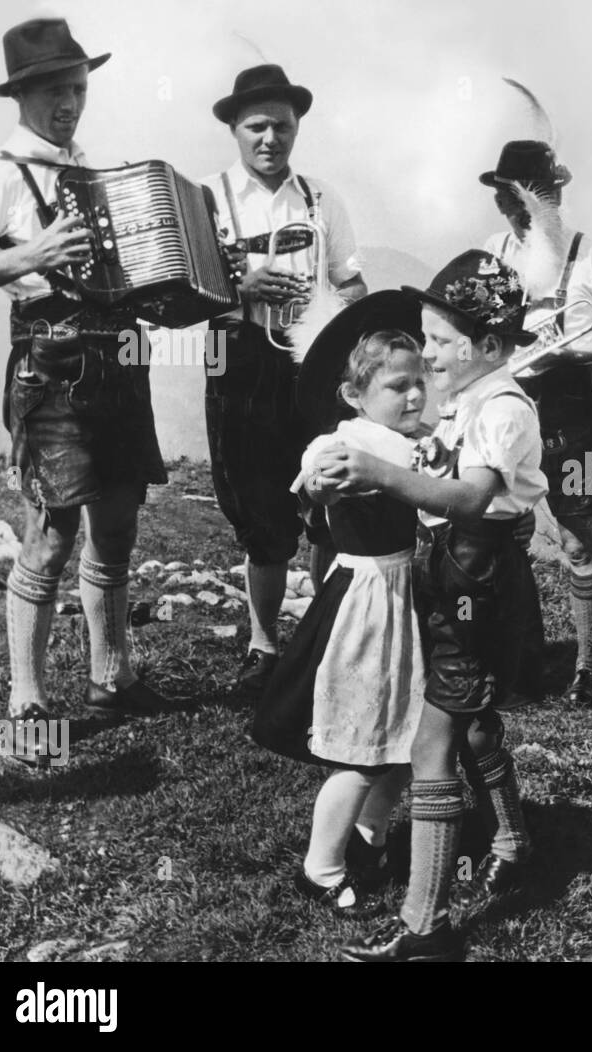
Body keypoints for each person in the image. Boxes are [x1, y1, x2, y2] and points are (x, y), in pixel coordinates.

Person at [328, 250, 547, 962]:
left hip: (476, 578)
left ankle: (427, 928)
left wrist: (380, 472)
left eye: (442, 341)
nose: (427, 354)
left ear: (487, 345)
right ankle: (513, 842)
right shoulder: (467, 399)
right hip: (452, 571)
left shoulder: (505, 406)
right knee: (474, 722)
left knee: (432, 746)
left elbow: (468, 498)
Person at [0, 18, 169, 730]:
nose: (70, 102)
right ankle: (26, 698)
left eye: (78, 87)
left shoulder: (87, 165)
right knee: (51, 534)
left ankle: (110, 679)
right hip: (49, 365)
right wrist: (29, 256)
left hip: (118, 356)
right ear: (21, 94)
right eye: (56, 89)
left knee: (116, 527)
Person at [252, 292, 427, 910]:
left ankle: (368, 835)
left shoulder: (406, 441)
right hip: (369, 603)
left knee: (407, 737)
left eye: (420, 385)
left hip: (406, 596)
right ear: (354, 396)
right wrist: (323, 477)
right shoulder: (355, 443)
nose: (413, 398)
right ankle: (320, 868)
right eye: (397, 387)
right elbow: (318, 475)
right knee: (359, 746)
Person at [202, 64, 367, 695]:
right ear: (235, 130)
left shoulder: (321, 198)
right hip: (238, 361)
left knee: (328, 496)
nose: (271, 138)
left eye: (283, 126)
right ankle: (264, 645)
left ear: (297, 128)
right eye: (257, 126)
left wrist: (341, 312)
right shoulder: (205, 198)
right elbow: (175, 294)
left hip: (312, 362)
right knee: (261, 506)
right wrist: (237, 290)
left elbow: (352, 281)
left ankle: (322, 641)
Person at [481, 140, 592, 706]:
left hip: (570, 411)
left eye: (531, 196)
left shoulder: (588, 252)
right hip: (506, 409)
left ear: (554, 196)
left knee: (578, 534)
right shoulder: (493, 253)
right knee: (507, 530)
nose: (518, 209)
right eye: (509, 197)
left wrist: (576, 351)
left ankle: (589, 665)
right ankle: (517, 656)